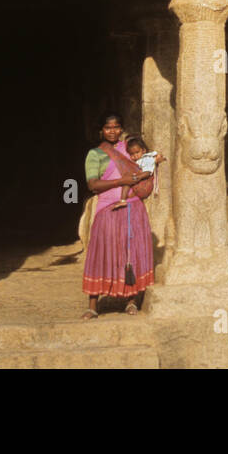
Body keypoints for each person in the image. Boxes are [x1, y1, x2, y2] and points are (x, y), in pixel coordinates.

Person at [82, 113, 154, 319]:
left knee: (131, 253)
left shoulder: (129, 148)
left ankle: (131, 301)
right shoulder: (95, 155)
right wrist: (121, 181)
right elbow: (93, 184)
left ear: (121, 128)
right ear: (101, 131)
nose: (112, 131)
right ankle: (93, 305)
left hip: (133, 208)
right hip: (108, 209)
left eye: (116, 127)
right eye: (107, 128)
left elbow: (147, 160)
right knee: (101, 252)